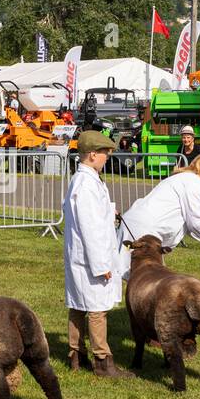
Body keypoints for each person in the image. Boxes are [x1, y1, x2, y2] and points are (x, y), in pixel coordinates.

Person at [63, 130, 129, 377]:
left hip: (84, 257)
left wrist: (109, 211)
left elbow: (90, 216)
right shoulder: (86, 184)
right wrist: (101, 265)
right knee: (96, 308)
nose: (106, 158)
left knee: (79, 305)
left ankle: (75, 354)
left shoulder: (87, 181)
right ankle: (103, 360)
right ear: (92, 155)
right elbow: (90, 228)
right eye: (104, 154)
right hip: (90, 257)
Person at [117, 153, 200, 279]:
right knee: (148, 278)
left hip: (135, 223)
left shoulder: (183, 178)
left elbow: (189, 221)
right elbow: (195, 219)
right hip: (145, 230)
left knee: (131, 275)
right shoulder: (195, 183)